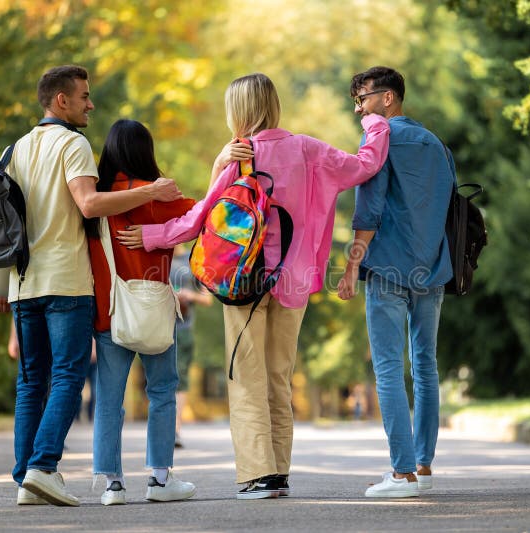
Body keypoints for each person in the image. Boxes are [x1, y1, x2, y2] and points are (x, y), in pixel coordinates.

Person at [117, 72, 390, 499]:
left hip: (243, 277)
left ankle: (257, 475)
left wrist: (151, 236)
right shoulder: (307, 148)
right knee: (280, 377)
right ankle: (278, 472)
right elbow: (364, 166)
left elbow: (202, 218)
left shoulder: (238, 155)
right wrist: (375, 123)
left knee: (247, 377)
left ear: (239, 110)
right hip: (294, 279)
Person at [0, 65, 183, 507]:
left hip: (23, 282)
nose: (90, 104)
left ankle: (26, 480)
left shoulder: (16, 149)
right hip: (65, 281)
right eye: (84, 96)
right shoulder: (72, 143)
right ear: (62, 101)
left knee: (30, 383)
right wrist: (150, 192)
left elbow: (2, 222)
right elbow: (90, 203)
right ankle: (42, 468)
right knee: (67, 375)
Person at [337, 66, 454, 498]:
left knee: (388, 368)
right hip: (434, 268)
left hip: (388, 268)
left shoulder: (380, 141)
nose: (358, 109)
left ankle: (402, 474)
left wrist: (351, 266)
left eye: (363, 99)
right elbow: (450, 209)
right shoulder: (437, 145)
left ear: (388, 99)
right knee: (425, 365)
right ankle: (422, 465)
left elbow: (368, 212)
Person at [85, 119, 201, 506]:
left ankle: (112, 486)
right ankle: (160, 479)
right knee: (163, 392)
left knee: (109, 400)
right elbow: (203, 214)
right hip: (153, 311)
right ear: (145, 152)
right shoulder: (159, 197)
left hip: (109, 312)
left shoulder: (98, 199)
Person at [168, 245, 213, 448]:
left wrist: (188, 295)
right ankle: (162, 430)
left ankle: (175, 430)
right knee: (160, 379)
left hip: (183, 329)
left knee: (180, 378)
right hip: (156, 328)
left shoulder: (193, 258)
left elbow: (207, 298)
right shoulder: (156, 251)